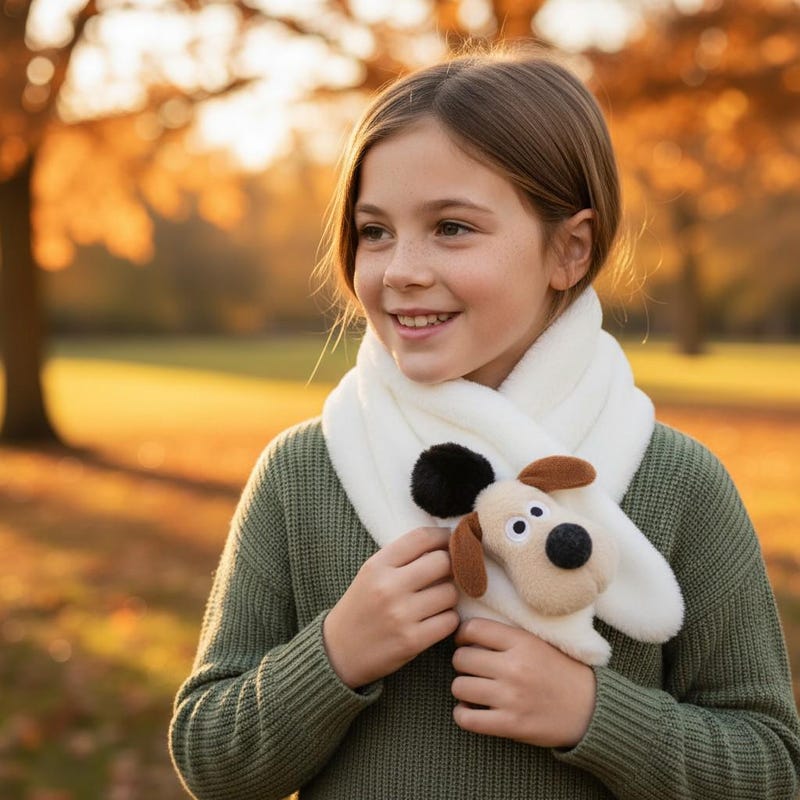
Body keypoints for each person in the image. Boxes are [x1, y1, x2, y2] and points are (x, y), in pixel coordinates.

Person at [168, 47, 800, 800]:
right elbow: (210, 758)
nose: (400, 268)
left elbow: (768, 768)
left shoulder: (677, 483)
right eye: (374, 232)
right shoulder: (306, 471)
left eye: (452, 228)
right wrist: (334, 656)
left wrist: (595, 714)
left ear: (569, 249)